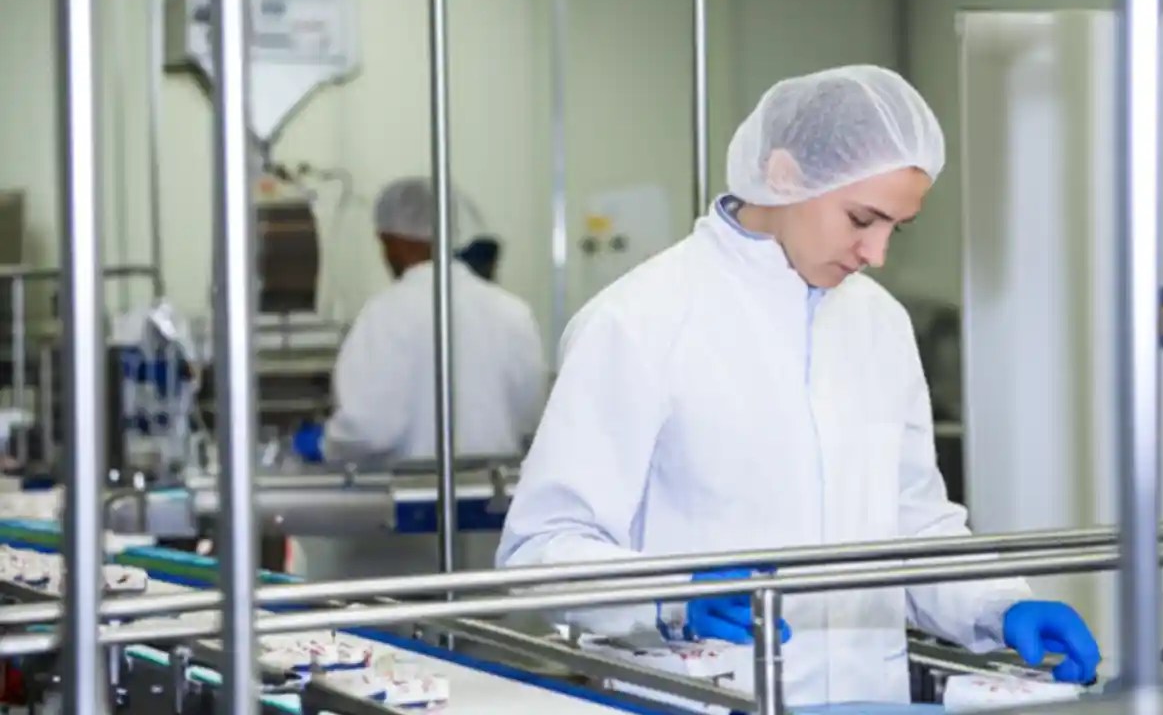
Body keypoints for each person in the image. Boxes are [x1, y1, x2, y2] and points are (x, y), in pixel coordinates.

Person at [496, 65, 1100, 706]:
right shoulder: (640, 320)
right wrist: (672, 597)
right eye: (862, 219)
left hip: (869, 697)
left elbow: (913, 523)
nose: (877, 253)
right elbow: (543, 549)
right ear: (783, 175)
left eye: (896, 227)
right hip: (709, 696)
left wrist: (997, 607)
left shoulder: (878, 324)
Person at [292, 177, 547, 579]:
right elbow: (530, 417)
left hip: (410, 529)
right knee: (484, 634)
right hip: (493, 521)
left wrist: (322, 444)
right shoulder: (512, 312)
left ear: (392, 240)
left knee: (411, 636)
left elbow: (369, 428)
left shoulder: (386, 314)